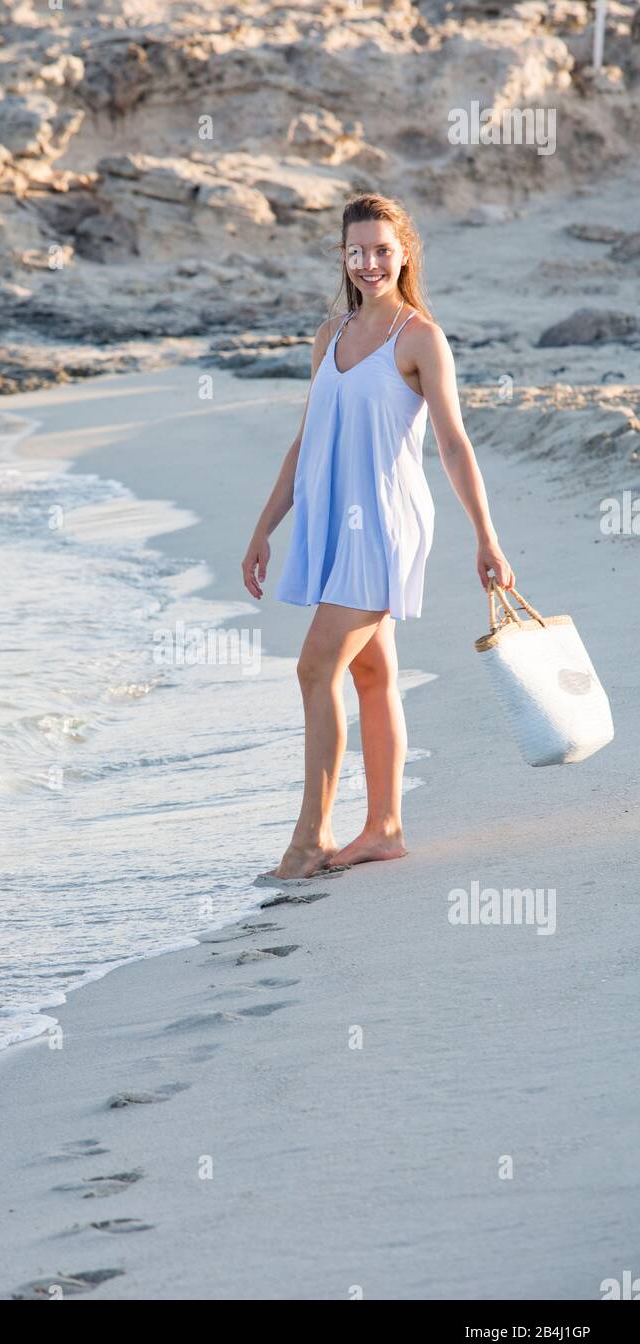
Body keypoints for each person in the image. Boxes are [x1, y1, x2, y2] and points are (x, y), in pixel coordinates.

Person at [241, 193, 514, 880]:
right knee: (371, 672)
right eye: (356, 252)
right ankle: (385, 827)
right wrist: (263, 531)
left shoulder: (419, 337)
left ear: (405, 253)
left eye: (382, 251)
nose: (369, 264)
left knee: (314, 668)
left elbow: (453, 445)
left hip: (385, 525)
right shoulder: (329, 335)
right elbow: (307, 443)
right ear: (343, 256)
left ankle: (310, 839)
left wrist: (487, 538)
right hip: (332, 520)